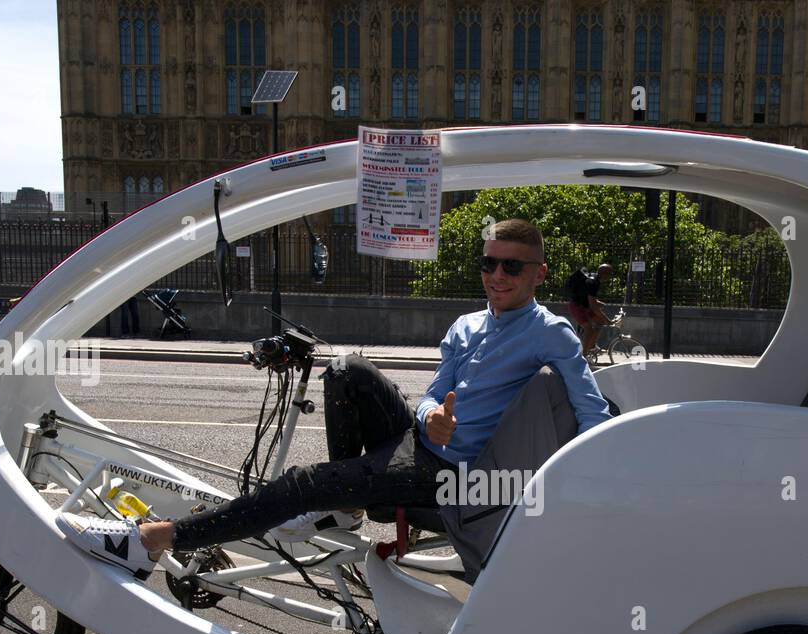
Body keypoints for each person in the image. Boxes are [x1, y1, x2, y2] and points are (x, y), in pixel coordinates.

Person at [58, 218, 612, 576]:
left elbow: (592, 413)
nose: (497, 275)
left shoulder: (550, 333)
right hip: (423, 443)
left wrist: (600, 487)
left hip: (454, 474)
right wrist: (429, 416)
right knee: (345, 368)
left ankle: (154, 540)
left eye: (511, 266)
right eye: (489, 262)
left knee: (303, 483)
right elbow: (431, 399)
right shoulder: (467, 325)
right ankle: (346, 504)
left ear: (538, 274)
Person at [565, 262, 613, 356]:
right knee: (589, 330)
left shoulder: (595, 279)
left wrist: (600, 305)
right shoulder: (593, 282)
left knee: (600, 322)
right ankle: (583, 356)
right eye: (610, 273)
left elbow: (590, 299)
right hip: (577, 307)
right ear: (604, 274)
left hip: (584, 307)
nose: (610, 276)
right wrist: (607, 320)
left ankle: (591, 346)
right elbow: (594, 307)